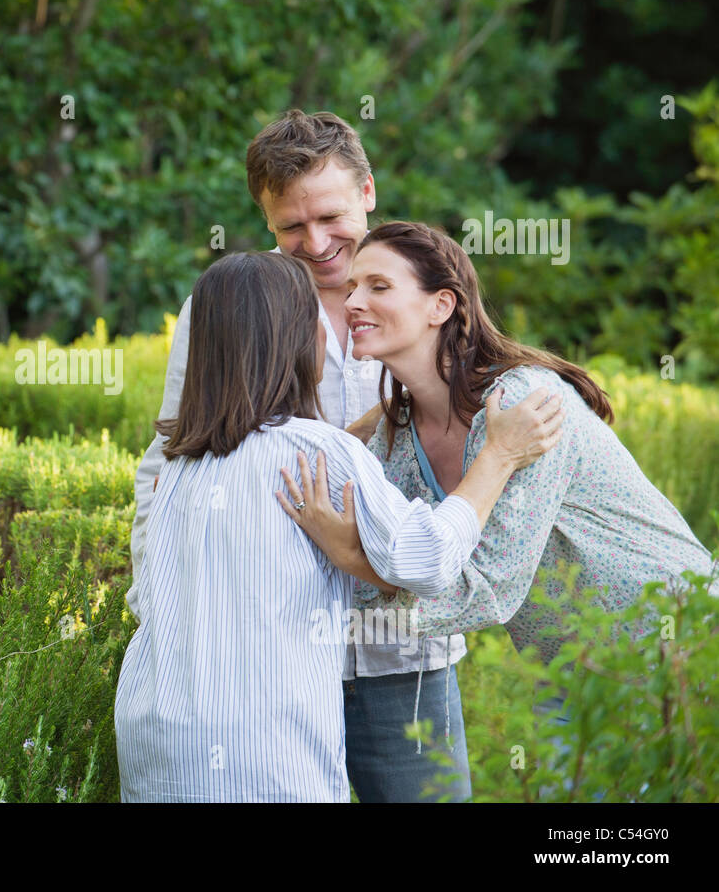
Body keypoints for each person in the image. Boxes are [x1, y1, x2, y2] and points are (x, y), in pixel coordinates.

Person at [132, 109, 491, 802]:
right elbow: (170, 461)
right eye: (291, 228)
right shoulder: (228, 311)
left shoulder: (429, 296)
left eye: (330, 217)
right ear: (266, 221)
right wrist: (159, 608)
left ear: (368, 192)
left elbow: (467, 443)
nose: (318, 243)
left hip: (399, 649)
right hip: (267, 654)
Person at [114, 250, 563, 802]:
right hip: (271, 762)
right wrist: (498, 456)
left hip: (157, 746)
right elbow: (426, 558)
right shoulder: (314, 449)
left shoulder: (180, 468)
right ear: (302, 341)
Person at [278, 221, 718, 707]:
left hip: (682, 654)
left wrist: (351, 559)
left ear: (440, 305)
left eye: (378, 286)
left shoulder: (521, 405)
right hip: (576, 683)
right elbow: (415, 570)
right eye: (354, 287)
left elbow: (488, 585)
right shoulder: (395, 440)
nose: (353, 301)